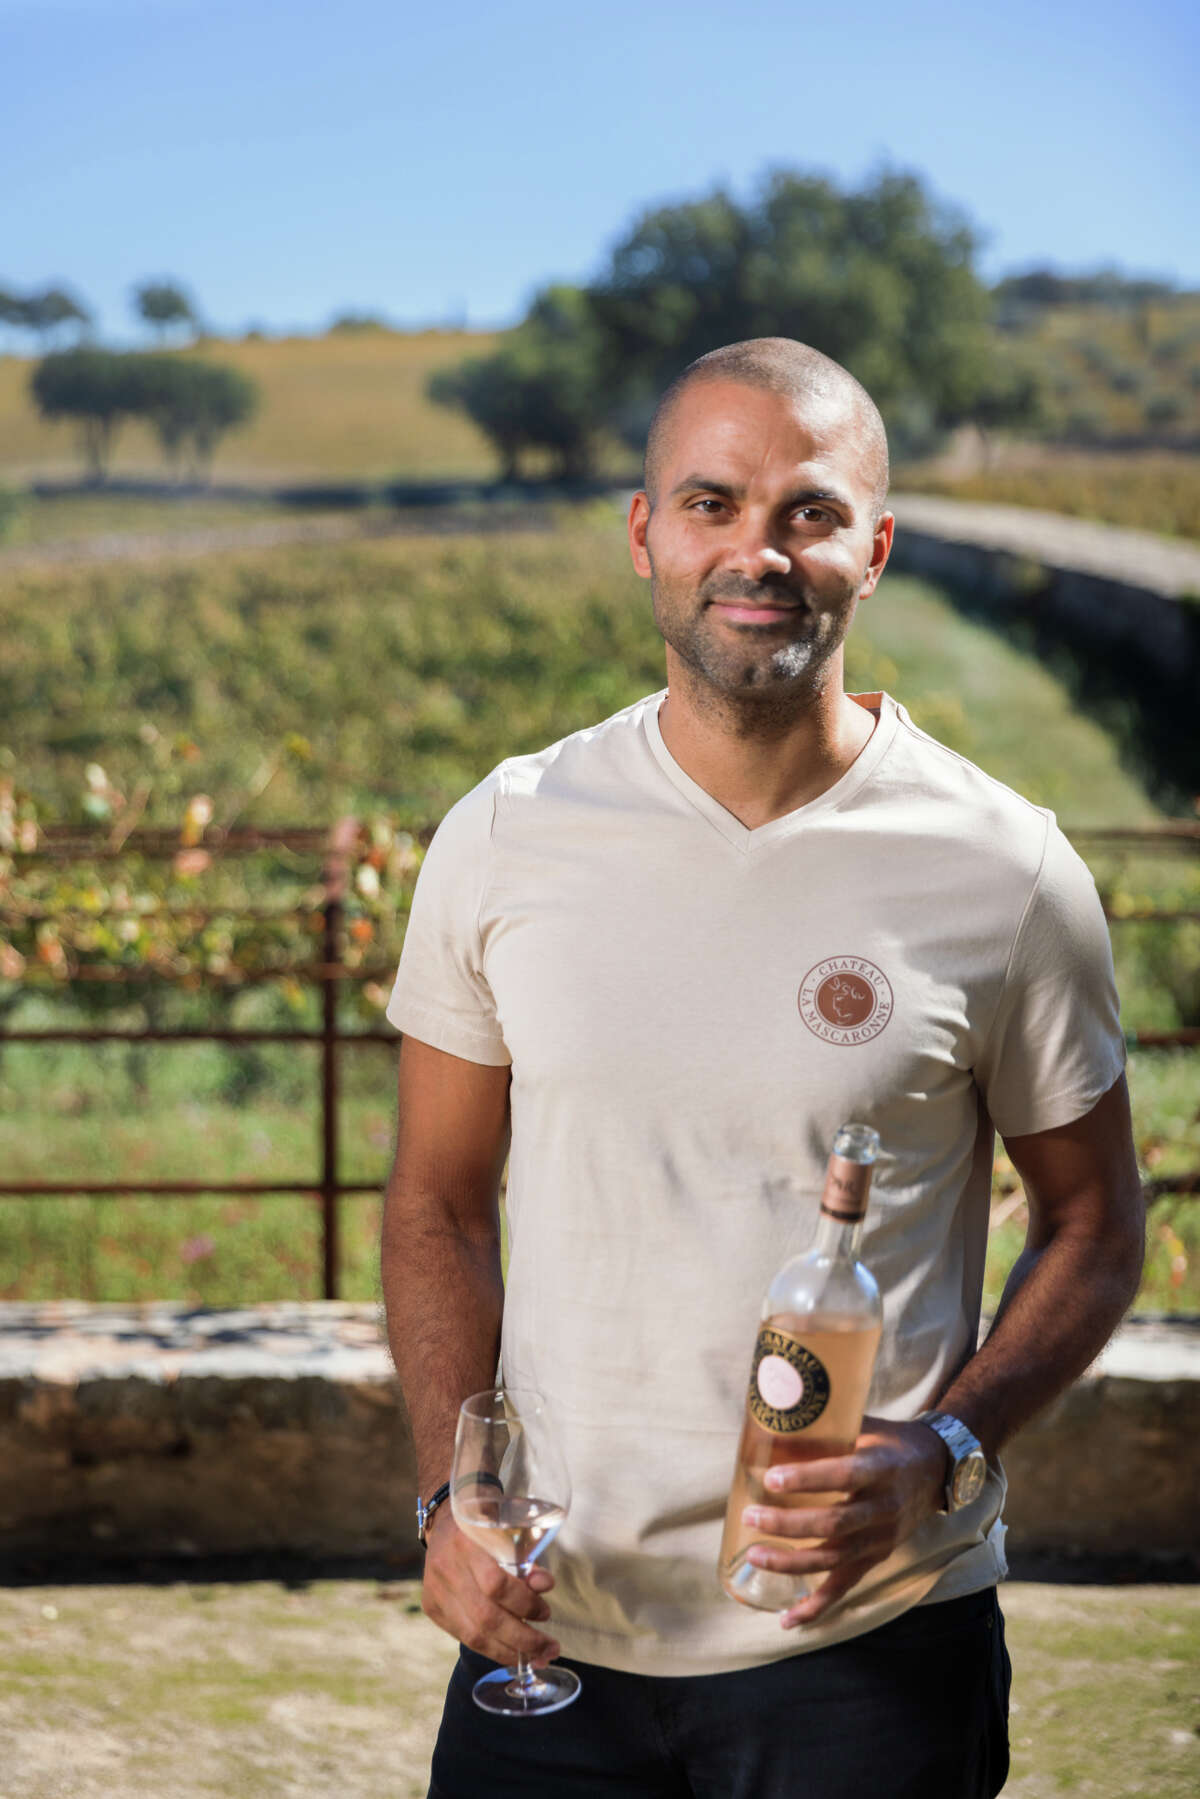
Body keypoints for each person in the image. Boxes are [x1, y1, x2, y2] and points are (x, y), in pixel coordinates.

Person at [380, 337, 1144, 1798]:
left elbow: (1102, 1224)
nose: (758, 552)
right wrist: (448, 1497)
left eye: (808, 511)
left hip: (867, 1653)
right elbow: (438, 1204)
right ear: (644, 533)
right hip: (549, 1643)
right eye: (713, 504)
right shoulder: (505, 833)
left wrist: (948, 1450)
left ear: (877, 545)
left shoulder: (1006, 869)